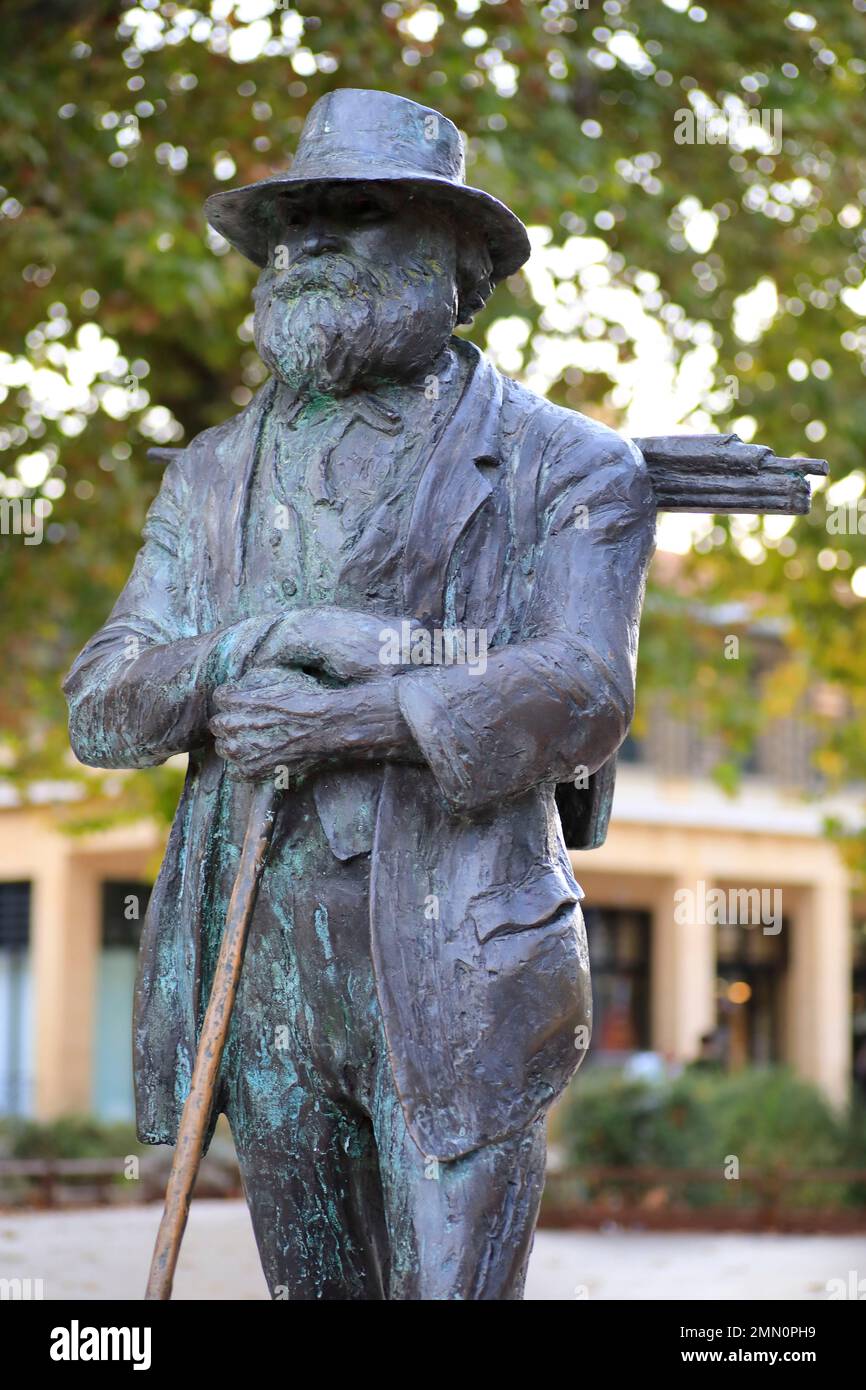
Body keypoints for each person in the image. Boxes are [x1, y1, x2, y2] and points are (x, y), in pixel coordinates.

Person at [64, 88, 656, 1300]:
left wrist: (363, 709)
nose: (314, 245)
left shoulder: (571, 464)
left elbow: (581, 684)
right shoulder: (212, 473)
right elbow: (104, 702)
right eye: (298, 223)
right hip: (258, 967)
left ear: (460, 265)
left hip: (463, 964)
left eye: (363, 215)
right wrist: (261, 639)